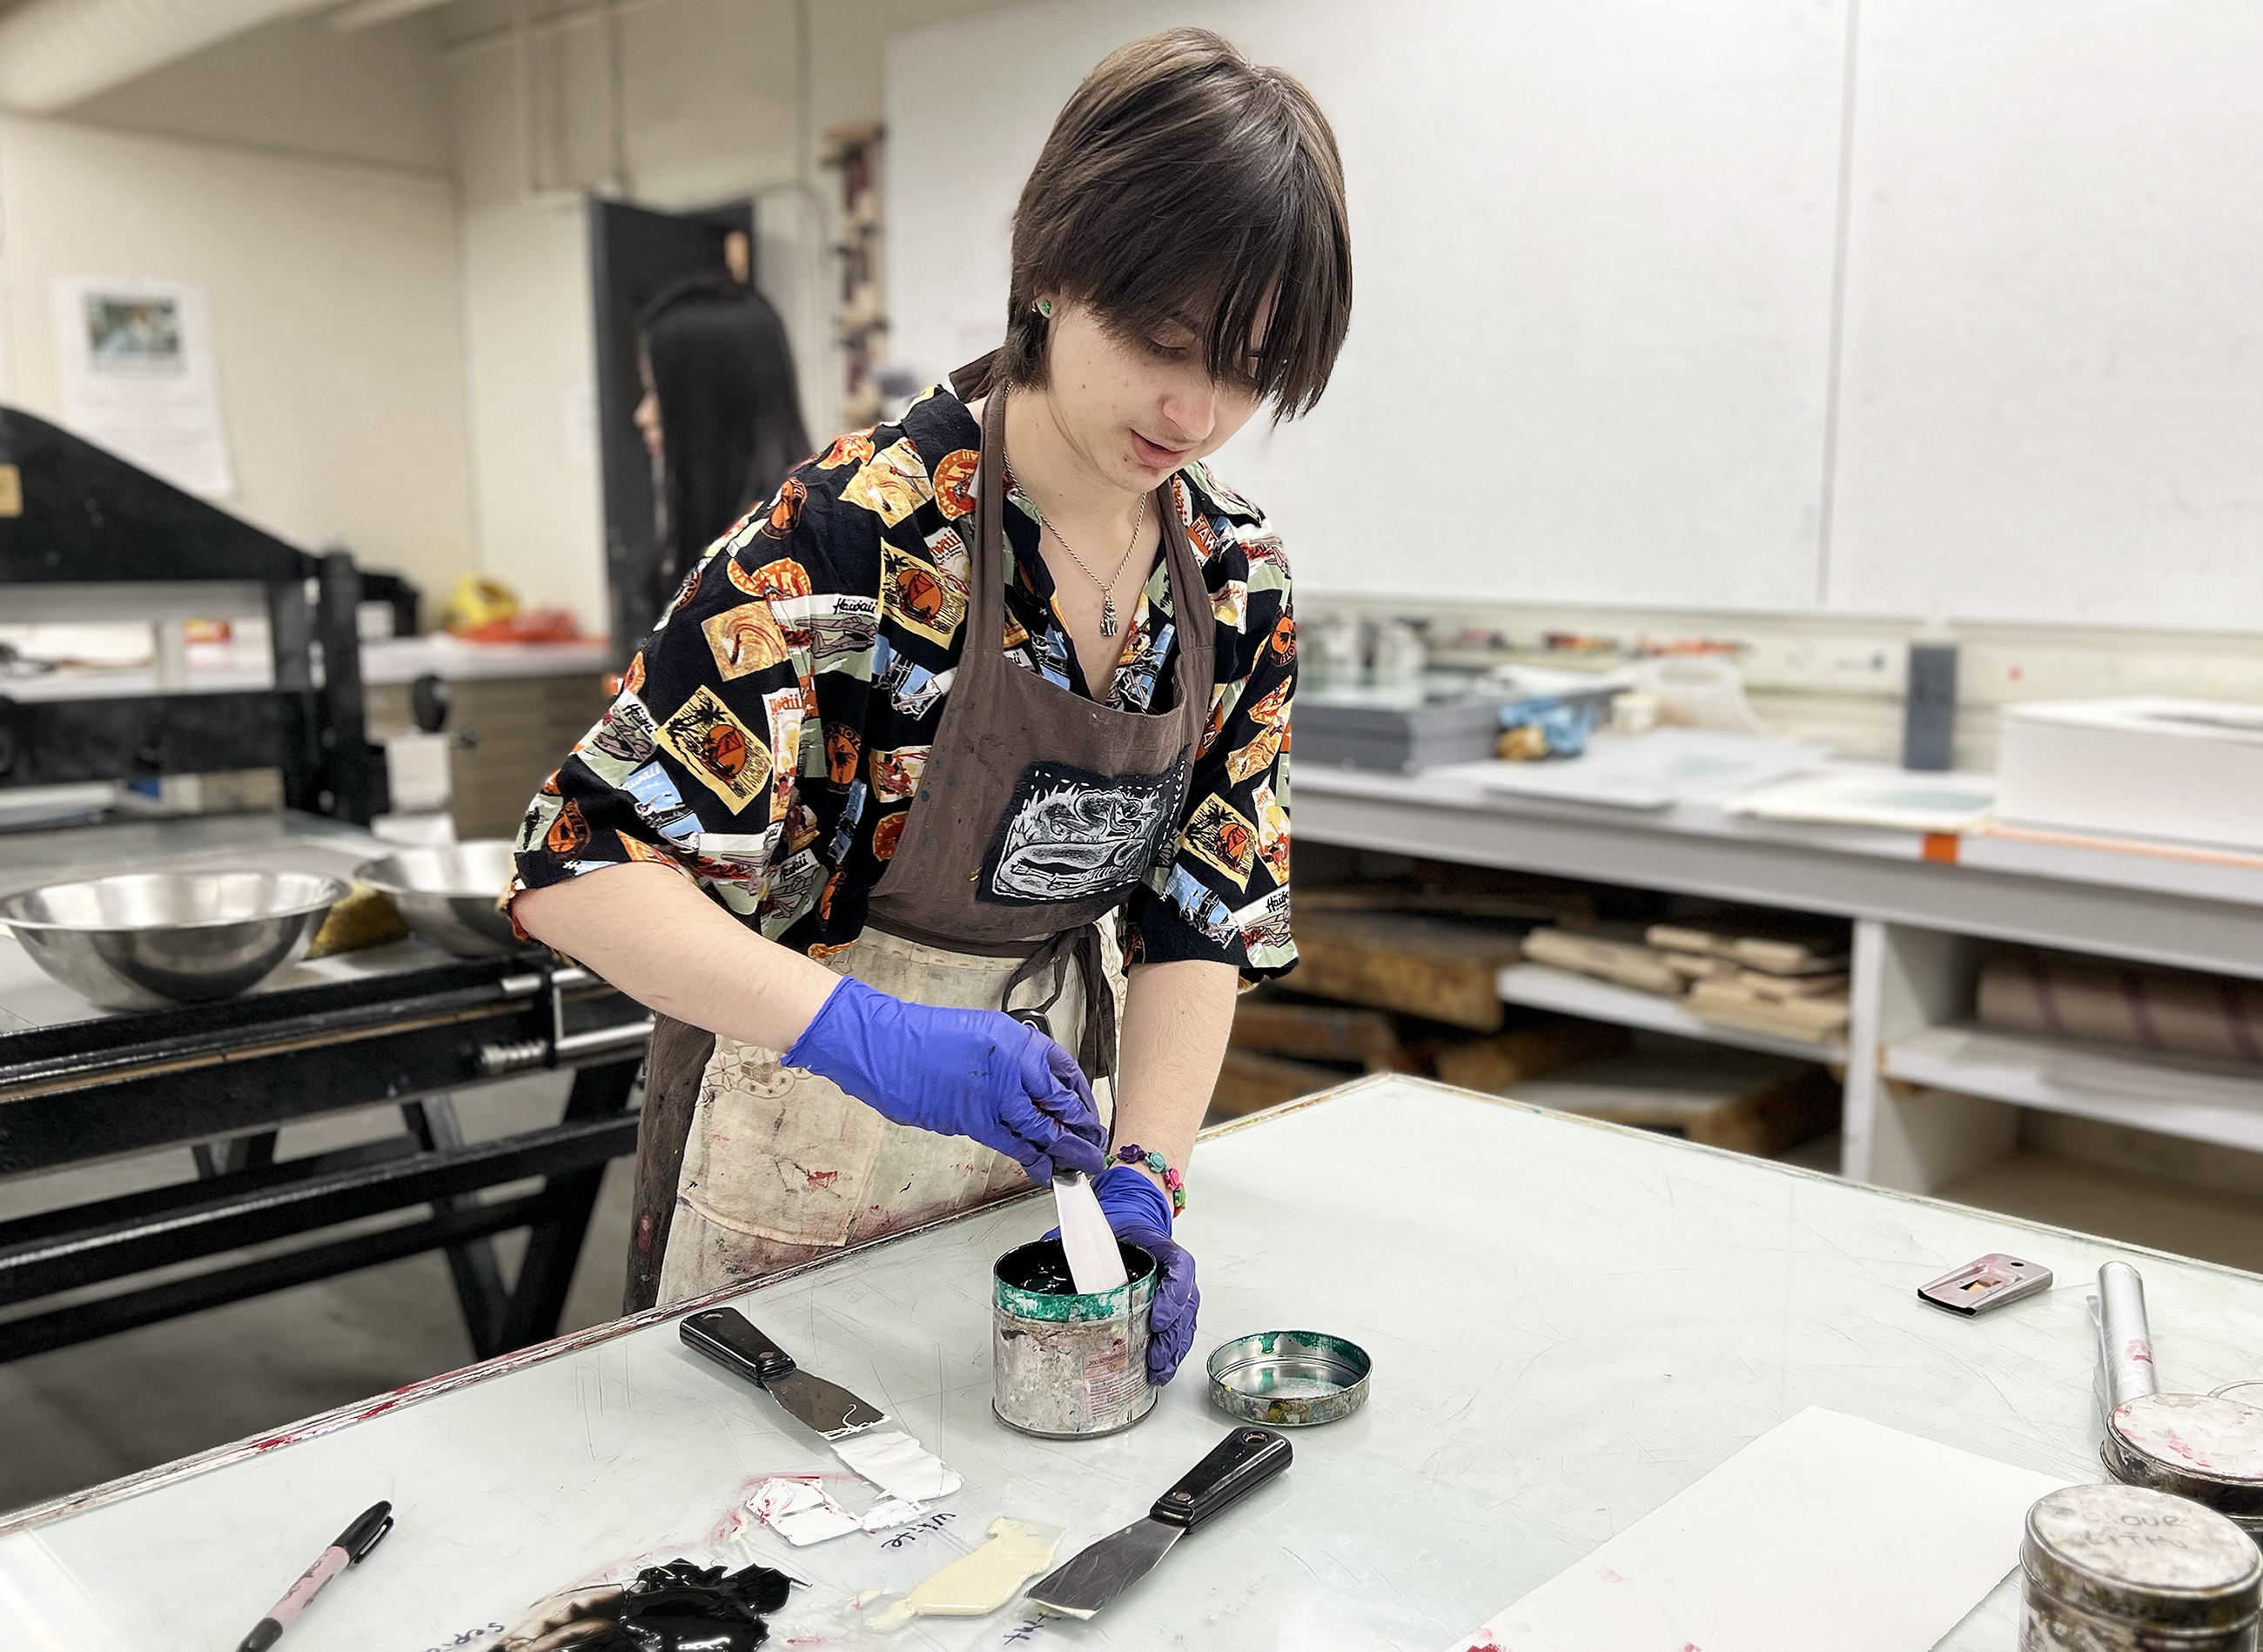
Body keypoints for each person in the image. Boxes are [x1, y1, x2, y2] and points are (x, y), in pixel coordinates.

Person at [510, 26, 1351, 1386]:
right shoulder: (856, 532)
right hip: (798, 1143)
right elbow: (579, 868)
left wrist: (1146, 1177)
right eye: (1161, 340)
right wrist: (869, 1034)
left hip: (1047, 1154)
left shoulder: (1234, 575)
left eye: (1250, 367)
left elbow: (1204, 906)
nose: (1195, 409)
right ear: (1056, 268)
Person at [631, 272, 811, 625]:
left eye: (658, 395)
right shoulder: (749, 527)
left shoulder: (778, 546)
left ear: (715, 404)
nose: (642, 416)